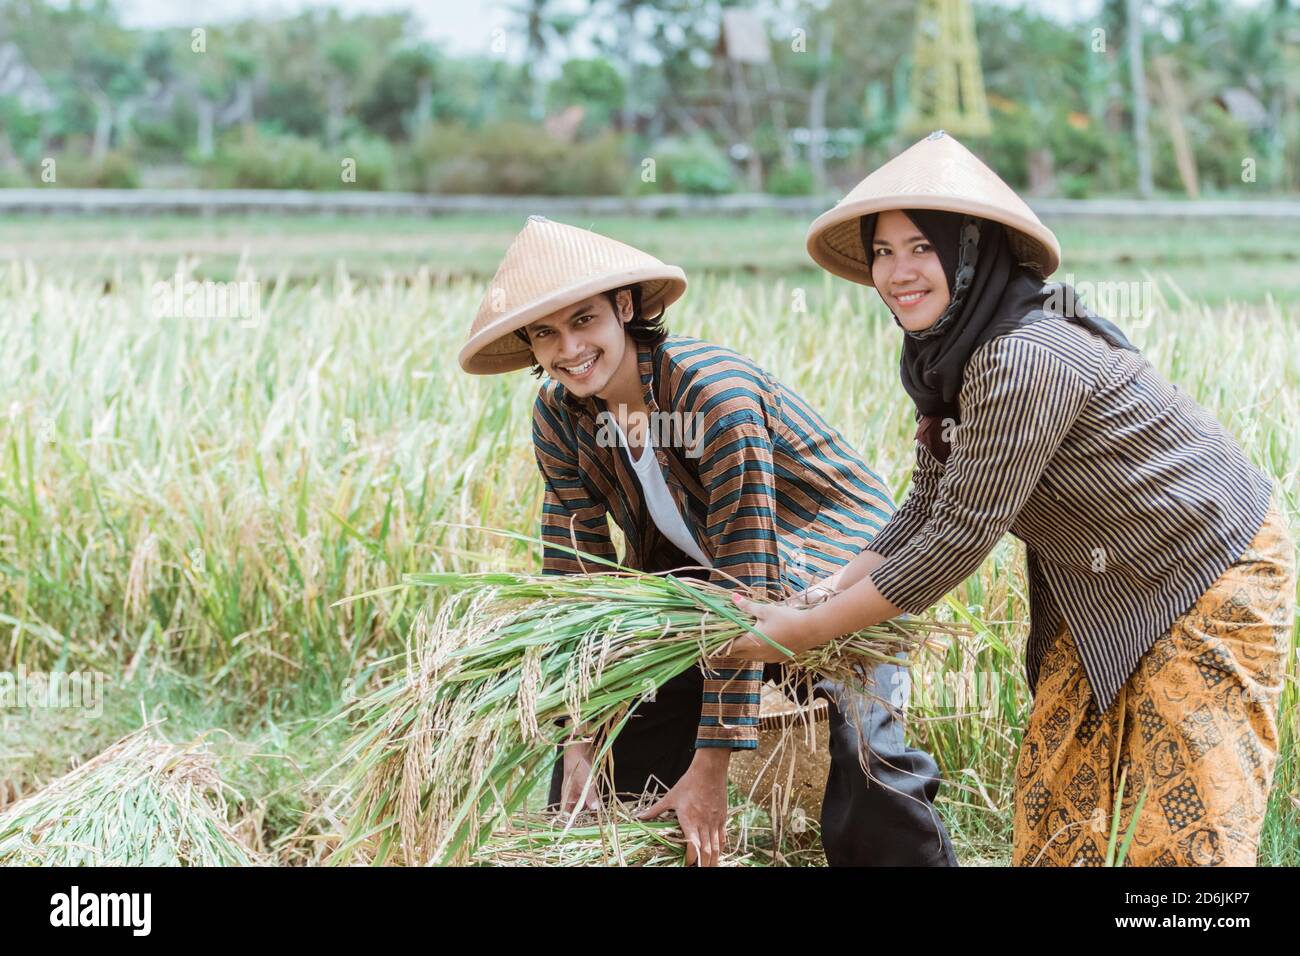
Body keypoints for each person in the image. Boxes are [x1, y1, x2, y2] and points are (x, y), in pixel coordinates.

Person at [727, 130, 1297, 866]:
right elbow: (924, 508)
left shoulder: (1021, 354)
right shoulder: (948, 359)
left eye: (921, 248)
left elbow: (959, 537)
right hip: (1102, 583)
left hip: (1210, 568)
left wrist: (795, 636)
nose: (898, 272)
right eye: (882, 252)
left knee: (1188, 822)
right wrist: (819, 596)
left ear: (970, 255)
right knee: (1059, 800)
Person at [458, 214, 958, 867]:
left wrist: (711, 770)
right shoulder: (560, 415)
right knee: (613, 745)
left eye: (584, 320)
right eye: (546, 334)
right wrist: (578, 736)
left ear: (625, 307)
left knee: (863, 748)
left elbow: (746, 572)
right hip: (703, 583)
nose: (569, 348)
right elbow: (576, 577)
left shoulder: (708, 393)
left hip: (829, 566)